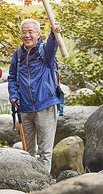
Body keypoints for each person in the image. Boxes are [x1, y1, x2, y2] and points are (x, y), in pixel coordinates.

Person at [8, 18, 62, 174]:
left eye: (30, 32)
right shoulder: (18, 55)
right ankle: (31, 182)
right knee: (28, 152)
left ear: (38, 34)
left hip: (45, 104)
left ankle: (44, 185)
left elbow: (52, 45)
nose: (27, 35)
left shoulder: (45, 52)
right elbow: (12, 77)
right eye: (24, 32)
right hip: (24, 108)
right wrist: (13, 94)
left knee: (45, 152)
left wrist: (53, 33)